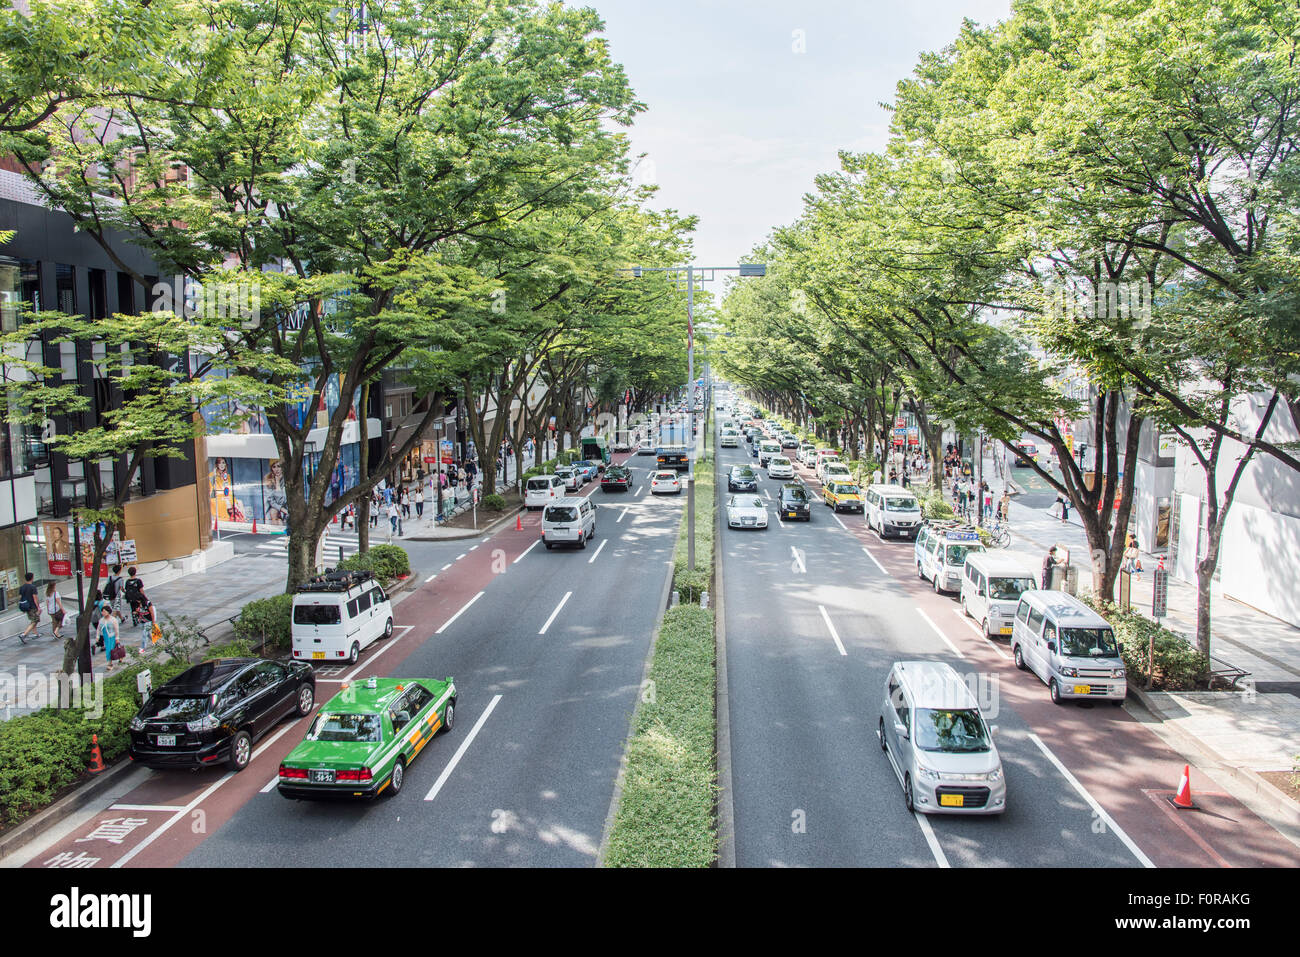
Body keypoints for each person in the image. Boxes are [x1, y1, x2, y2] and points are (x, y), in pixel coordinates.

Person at [17, 571, 41, 642]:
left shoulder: (22, 587)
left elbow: (21, 597)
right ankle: (24, 634)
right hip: (32, 606)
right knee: (35, 620)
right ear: (32, 578)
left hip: (26, 606)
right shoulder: (33, 587)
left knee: (33, 619)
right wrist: (38, 607)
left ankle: (35, 634)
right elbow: (35, 598)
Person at [99, 605, 120, 673]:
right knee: (110, 649)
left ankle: (110, 663)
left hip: (112, 636)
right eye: (102, 611)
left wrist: (117, 638)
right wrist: (97, 637)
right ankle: (111, 662)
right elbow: (98, 629)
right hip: (106, 637)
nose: (103, 613)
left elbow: (116, 629)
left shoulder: (113, 619)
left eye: (104, 611)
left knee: (111, 650)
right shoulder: (101, 620)